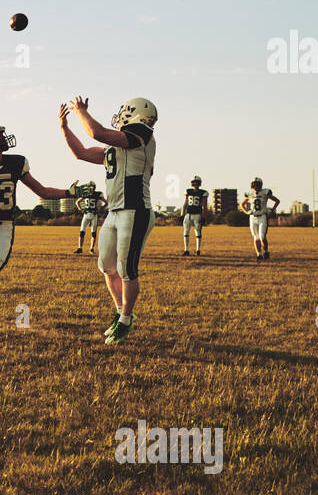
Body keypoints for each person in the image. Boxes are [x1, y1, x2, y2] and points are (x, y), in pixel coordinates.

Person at [0, 121, 79, 338]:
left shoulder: (16, 163)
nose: (4, 139)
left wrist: (69, 192)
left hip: (3, 228)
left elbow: (41, 190)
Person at [59, 95, 158, 345]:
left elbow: (97, 132)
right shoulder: (117, 148)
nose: (121, 114)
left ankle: (126, 320)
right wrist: (64, 128)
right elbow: (80, 153)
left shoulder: (142, 133)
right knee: (106, 265)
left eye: (126, 110)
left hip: (135, 210)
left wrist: (81, 112)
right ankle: (120, 310)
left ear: (136, 114)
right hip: (114, 212)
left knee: (127, 269)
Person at [241, 178, 281, 261]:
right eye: (254, 184)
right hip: (252, 217)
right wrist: (246, 211)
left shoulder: (265, 192)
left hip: (262, 216)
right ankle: (259, 254)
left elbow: (277, 201)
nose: (255, 186)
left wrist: (272, 210)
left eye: (257, 184)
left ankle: (266, 251)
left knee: (262, 236)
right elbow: (242, 204)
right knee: (256, 237)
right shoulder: (250, 193)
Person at [73, 182, 106, 255]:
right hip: (86, 214)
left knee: (93, 233)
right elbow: (77, 202)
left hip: (94, 215)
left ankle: (91, 248)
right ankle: (80, 248)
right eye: (89, 187)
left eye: (91, 187)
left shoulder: (98, 194)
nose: (91, 188)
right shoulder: (85, 194)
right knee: (82, 232)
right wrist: (81, 209)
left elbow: (106, 202)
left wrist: (100, 209)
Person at [181, 176, 207, 256]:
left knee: (198, 232)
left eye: (196, 182)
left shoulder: (203, 192)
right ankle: (186, 250)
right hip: (188, 214)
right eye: (193, 182)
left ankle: (198, 250)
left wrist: (204, 216)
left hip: (197, 214)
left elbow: (204, 205)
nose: (195, 183)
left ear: (199, 183)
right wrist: (182, 214)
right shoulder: (188, 191)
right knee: (186, 231)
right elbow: (185, 203)